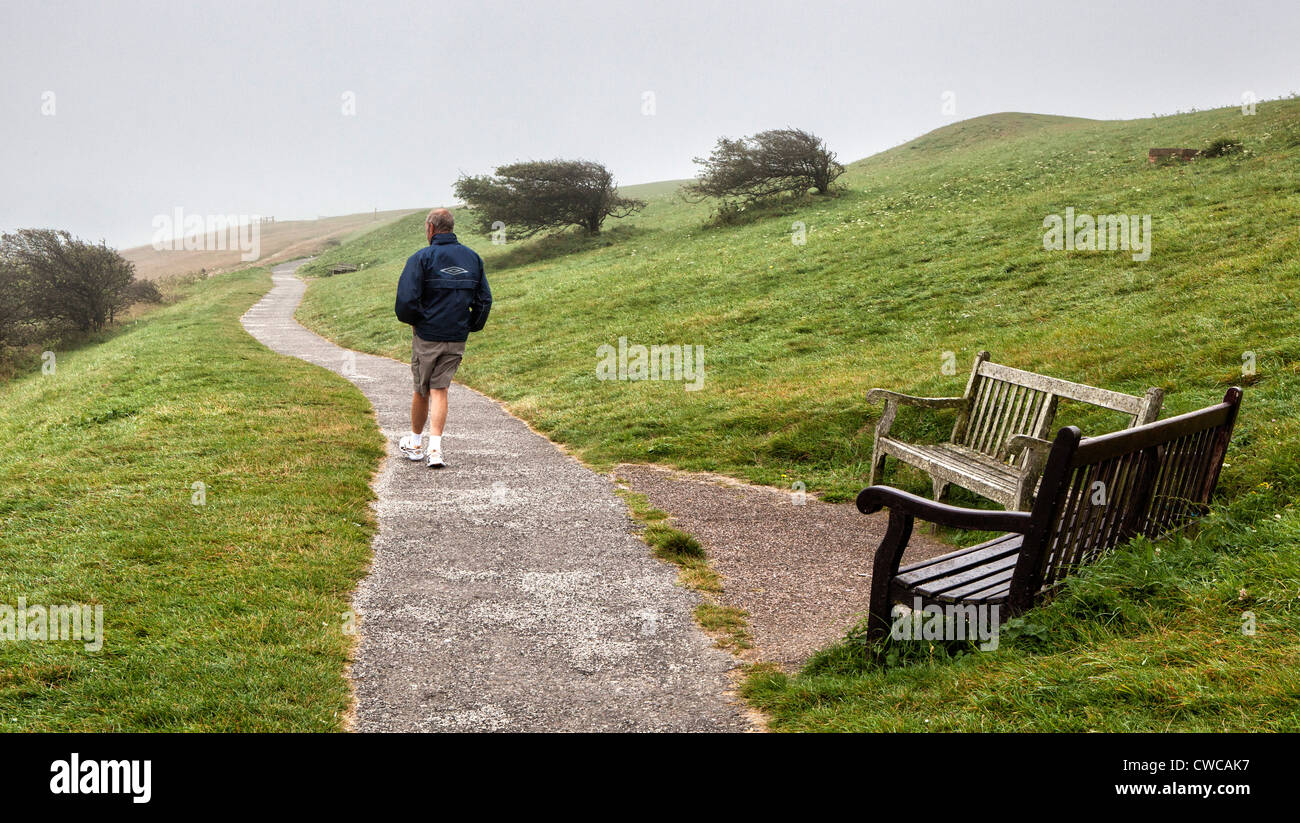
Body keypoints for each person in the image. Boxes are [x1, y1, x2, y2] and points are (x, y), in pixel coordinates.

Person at [393, 208, 491, 468]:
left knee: (421, 389)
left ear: (430, 229)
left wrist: (416, 322)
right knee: (440, 389)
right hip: (456, 335)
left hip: (427, 335)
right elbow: (484, 300)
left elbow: (405, 301)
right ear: (451, 227)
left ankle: (415, 444)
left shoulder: (421, 258)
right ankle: (435, 450)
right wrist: (470, 326)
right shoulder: (473, 258)